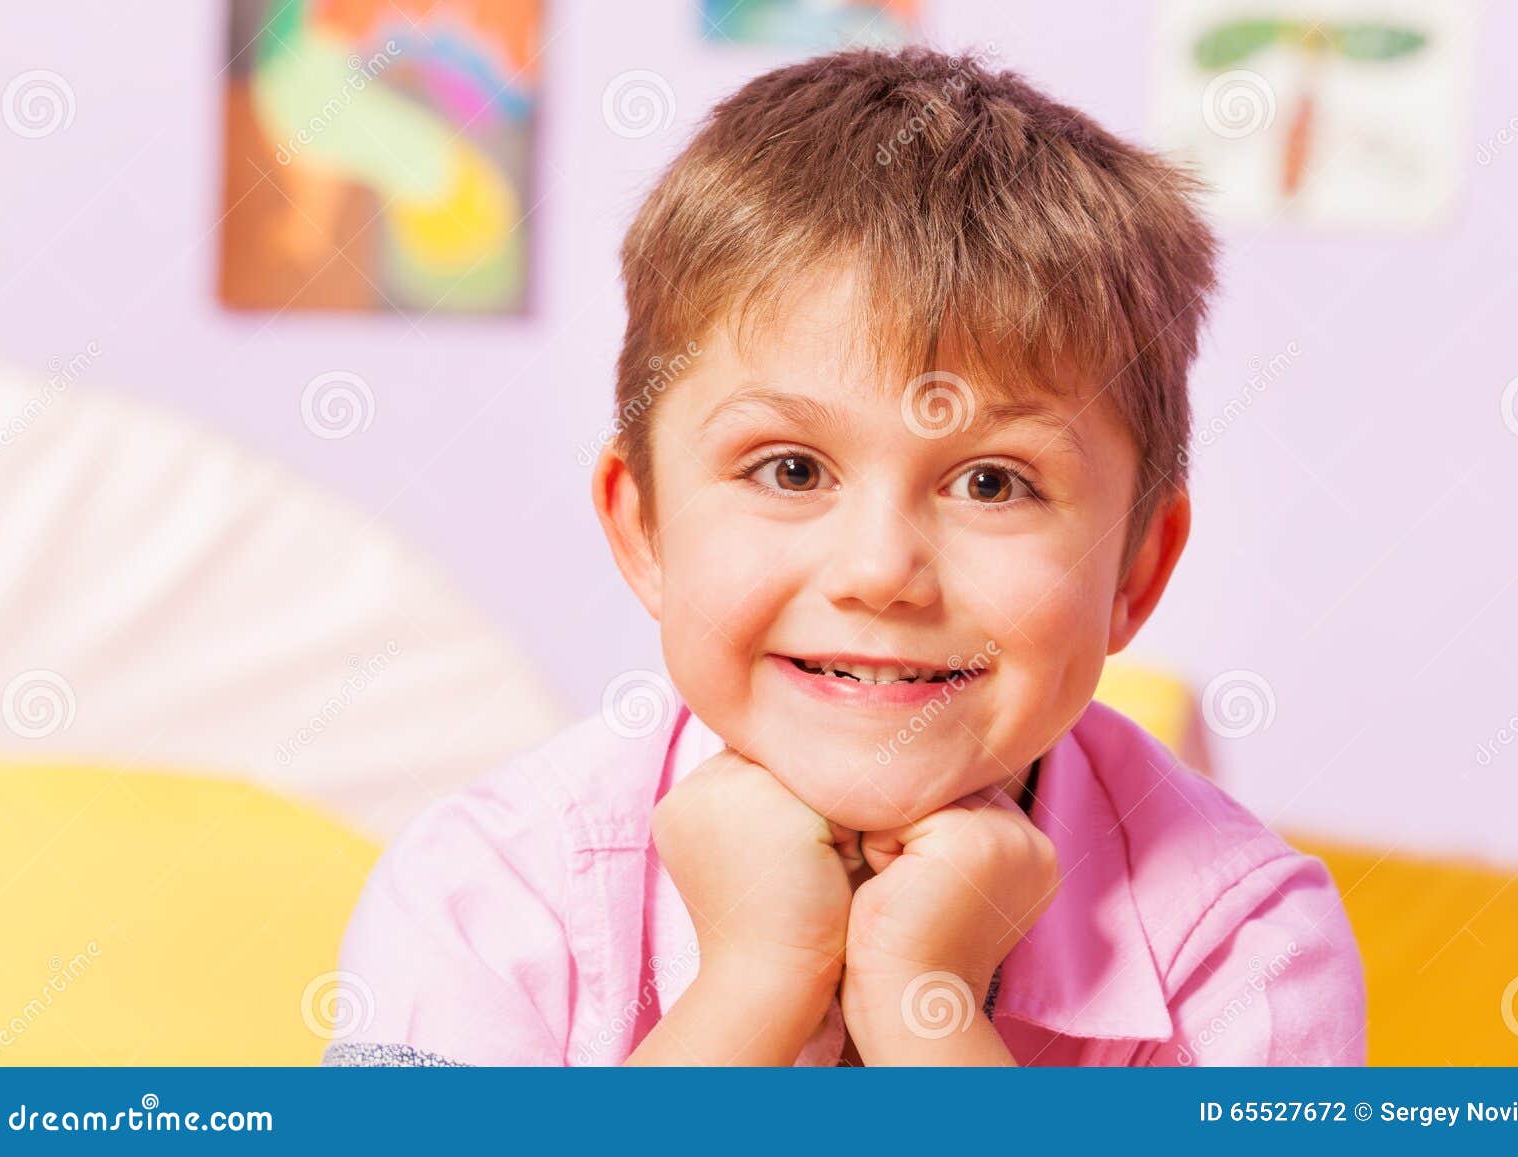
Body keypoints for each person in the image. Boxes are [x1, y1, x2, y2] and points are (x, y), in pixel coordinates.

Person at [324, 45, 1365, 1067]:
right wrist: (753, 986)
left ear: (1136, 570)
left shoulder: (1248, 940)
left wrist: (927, 1009)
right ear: (644, 529)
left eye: (992, 482)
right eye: (788, 470)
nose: (878, 570)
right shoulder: (486, 888)